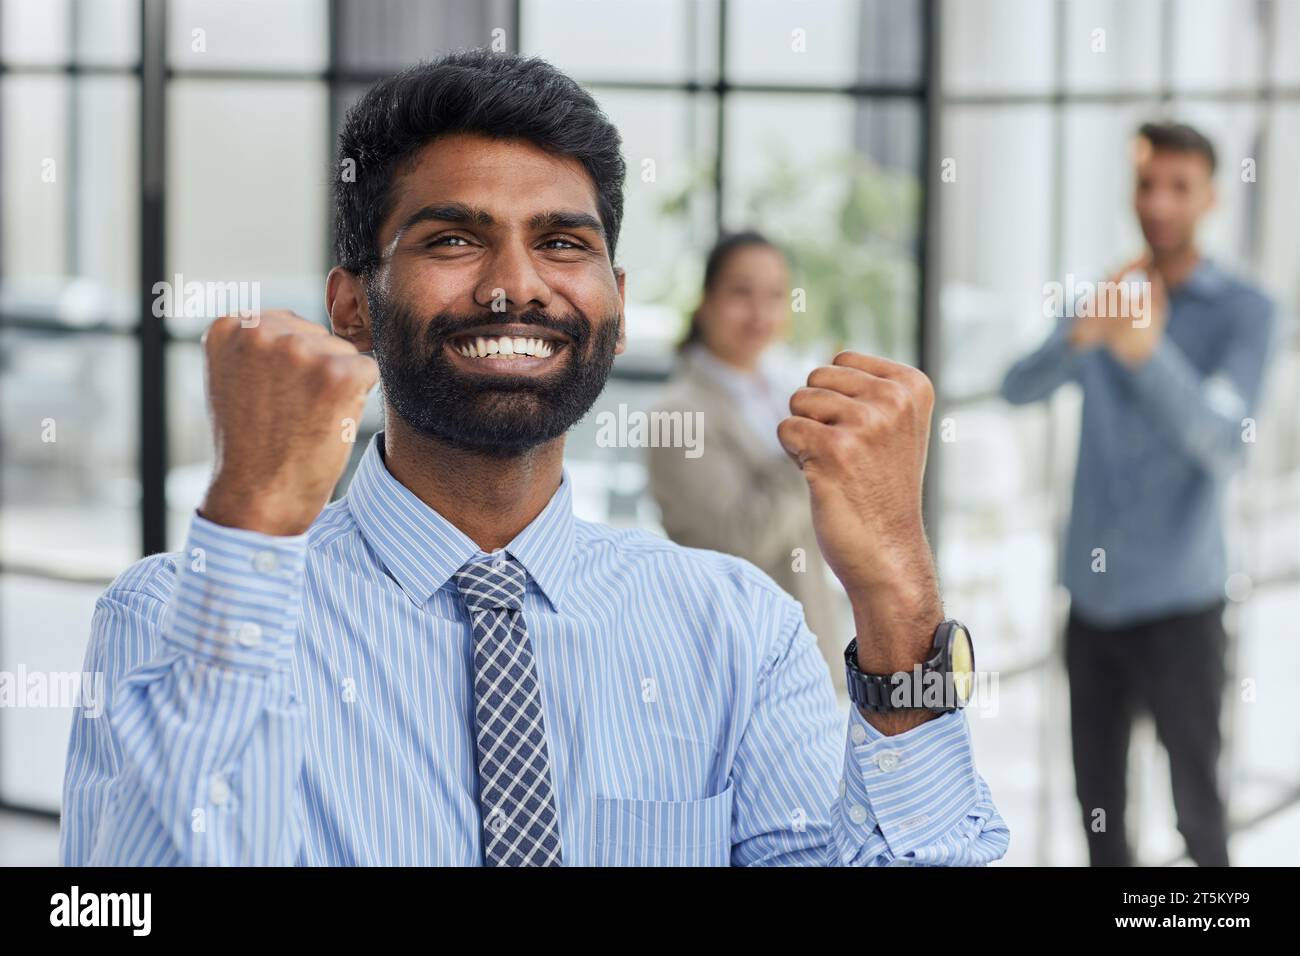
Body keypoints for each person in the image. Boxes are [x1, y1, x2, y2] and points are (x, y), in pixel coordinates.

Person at [61, 50, 1007, 866]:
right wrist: (252, 525)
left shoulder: (735, 634)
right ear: (351, 306)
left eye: (561, 243)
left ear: (618, 301)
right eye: (452, 239)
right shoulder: (172, 616)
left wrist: (896, 607)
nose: (516, 285)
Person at [1001, 122, 1276, 866]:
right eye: (1146, 183)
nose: (1158, 202)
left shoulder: (1246, 312)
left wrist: (1147, 356)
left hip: (1182, 609)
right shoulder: (1108, 296)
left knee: (1199, 817)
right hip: (1091, 607)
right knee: (1099, 818)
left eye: (1178, 186)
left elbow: (1227, 440)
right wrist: (1080, 337)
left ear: (1209, 197)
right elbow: (1015, 388)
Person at [646, 231, 846, 692]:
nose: (760, 314)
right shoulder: (678, 414)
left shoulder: (781, 390)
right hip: (741, 666)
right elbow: (740, 538)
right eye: (741, 293)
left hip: (812, 650)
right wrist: (812, 440)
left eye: (774, 295)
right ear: (706, 302)